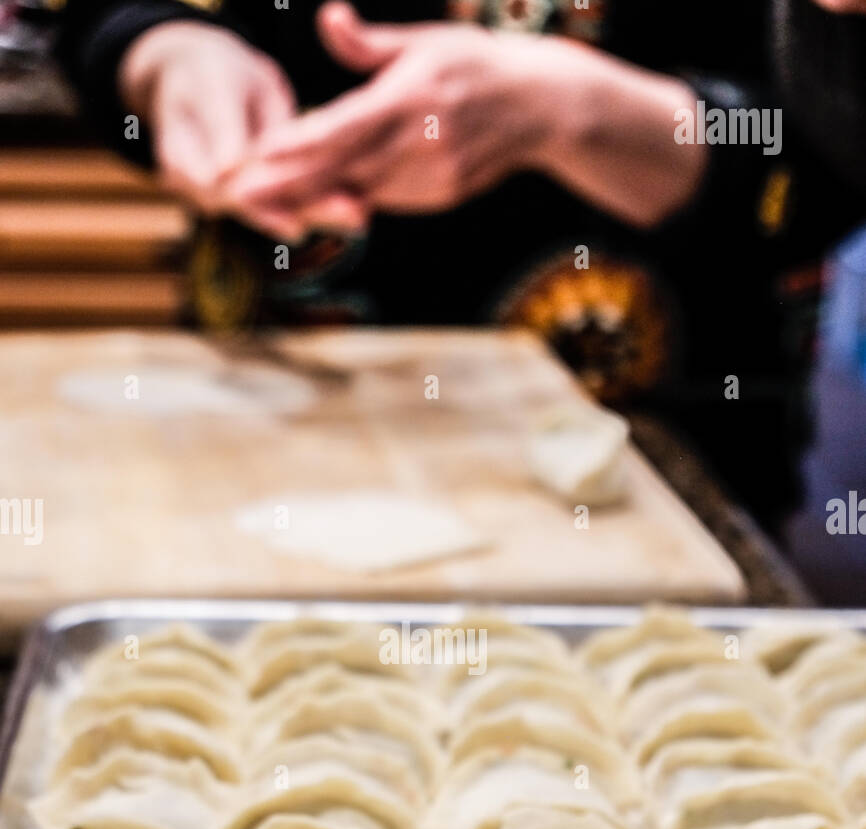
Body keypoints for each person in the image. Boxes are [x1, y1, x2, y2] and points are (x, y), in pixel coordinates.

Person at [55, 0, 866, 530]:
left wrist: (586, 114)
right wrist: (165, 52)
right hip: (273, 421)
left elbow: (821, 163)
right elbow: (98, 20)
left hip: (650, 477)